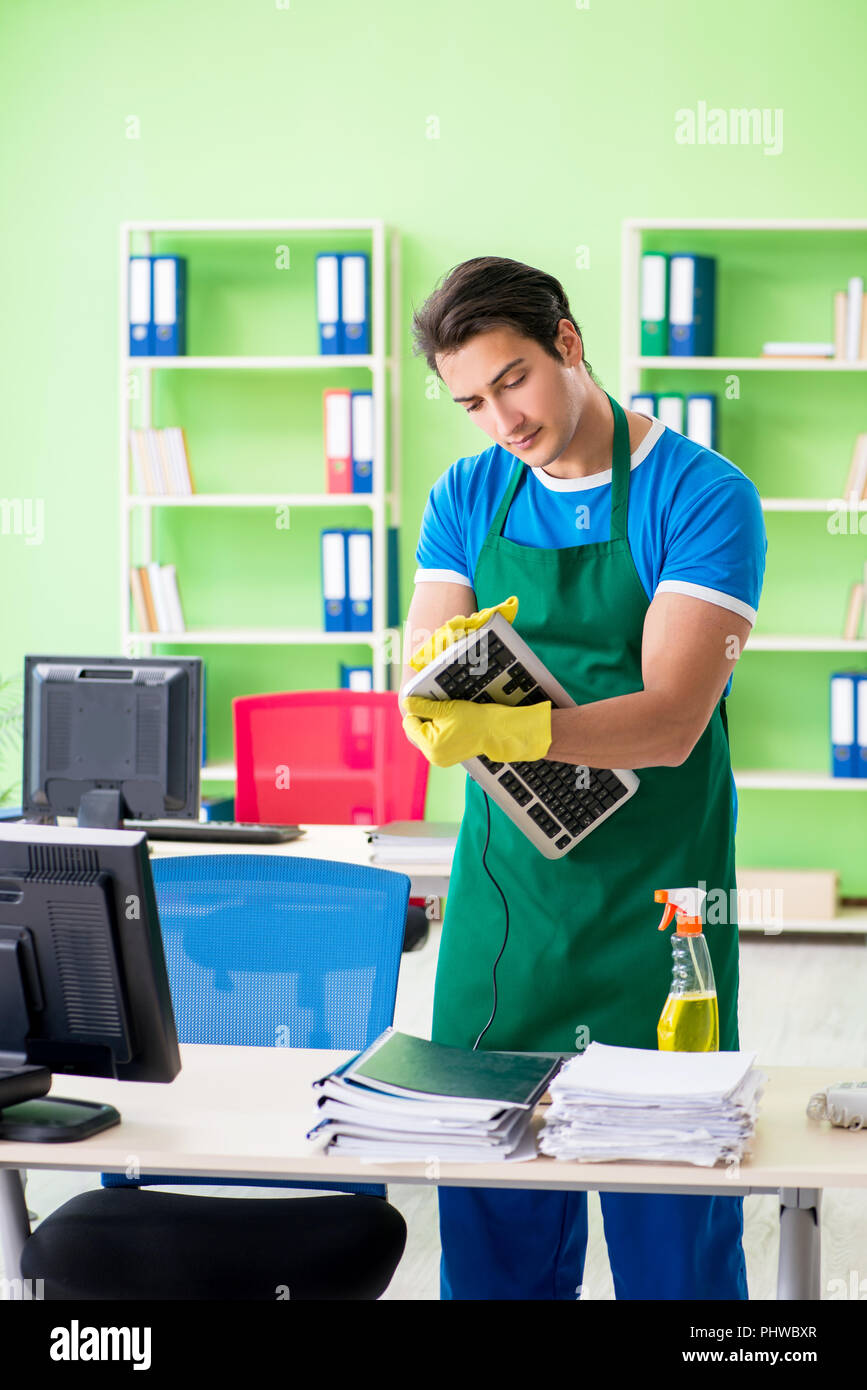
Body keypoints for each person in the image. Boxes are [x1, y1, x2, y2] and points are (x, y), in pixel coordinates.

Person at [398, 256, 767, 1301]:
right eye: (471, 400)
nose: (499, 419)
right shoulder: (468, 494)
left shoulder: (700, 495)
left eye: (512, 380)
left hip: (659, 902)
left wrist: (506, 729)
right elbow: (428, 671)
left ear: (567, 341)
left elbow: (668, 721)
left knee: (672, 1221)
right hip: (505, 904)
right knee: (495, 1219)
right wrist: (434, 706)